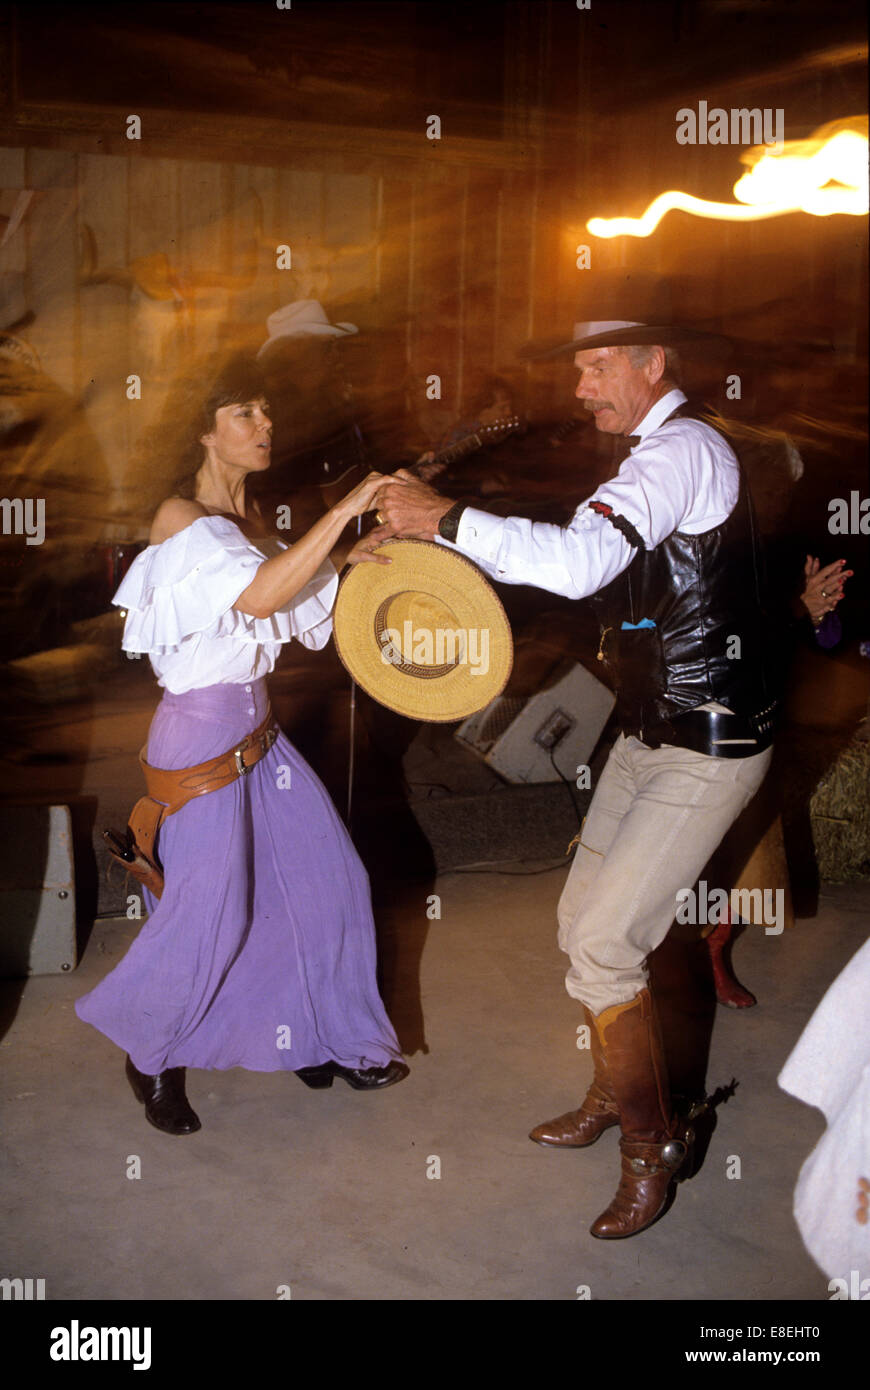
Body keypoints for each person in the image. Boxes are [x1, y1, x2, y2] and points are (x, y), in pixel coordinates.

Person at [371, 284, 778, 1239]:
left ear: (653, 364)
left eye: (598, 366)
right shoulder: (650, 458)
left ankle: (653, 1146)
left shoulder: (683, 452)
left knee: (605, 943)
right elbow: (570, 557)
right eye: (579, 367)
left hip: (709, 742)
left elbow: (577, 563)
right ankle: (616, 1087)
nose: (580, 383)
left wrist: (446, 520)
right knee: (577, 923)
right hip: (648, 732)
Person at [75, 355, 407, 1135]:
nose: (265, 426)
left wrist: (340, 558)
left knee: (329, 885)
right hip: (202, 736)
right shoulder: (179, 519)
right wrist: (346, 509)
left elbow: (276, 597)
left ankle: (318, 1034)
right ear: (204, 432)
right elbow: (259, 594)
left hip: (261, 737)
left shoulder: (249, 524)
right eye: (244, 415)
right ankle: (150, 1055)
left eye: (266, 411)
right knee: (209, 915)